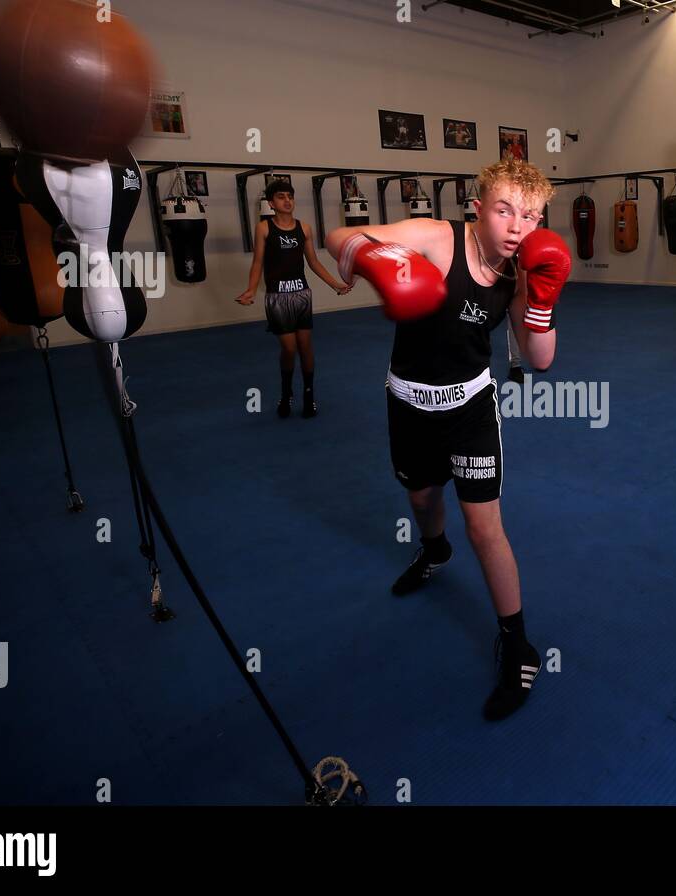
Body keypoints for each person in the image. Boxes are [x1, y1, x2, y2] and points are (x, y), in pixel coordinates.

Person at [325, 158, 569, 720]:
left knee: (485, 527)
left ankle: (517, 643)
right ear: (478, 207)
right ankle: (434, 551)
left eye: (530, 217)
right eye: (505, 210)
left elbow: (541, 360)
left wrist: (541, 302)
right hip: (408, 401)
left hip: (470, 407)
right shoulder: (436, 238)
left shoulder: (521, 272)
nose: (517, 228)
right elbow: (339, 235)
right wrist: (374, 258)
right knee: (420, 498)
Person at [236, 180, 348, 418]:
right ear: (271, 203)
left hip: (301, 295)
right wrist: (250, 289)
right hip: (277, 296)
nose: (287, 200)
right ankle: (286, 393)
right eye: (280, 197)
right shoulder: (264, 229)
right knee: (289, 348)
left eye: (290, 196)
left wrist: (335, 284)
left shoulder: (304, 228)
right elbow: (258, 262)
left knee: (305, 346)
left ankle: (309, 394)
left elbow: (314, 262)